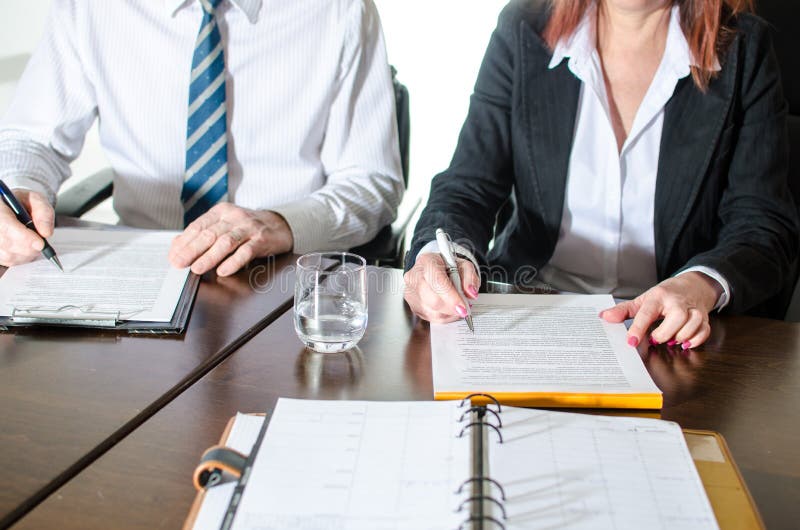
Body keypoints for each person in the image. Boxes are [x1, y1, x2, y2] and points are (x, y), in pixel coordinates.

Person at [404, 0, 798, 348]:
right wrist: (441, 256)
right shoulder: (523, 29)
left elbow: (763, 225)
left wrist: (700, 284)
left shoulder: (743, 48)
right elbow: (466, 186)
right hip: (528, 312)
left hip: (666, 333)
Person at [0, 0, 403, 277]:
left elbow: (371, 182)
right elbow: (34, 140)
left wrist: (281, 224)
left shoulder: (339, 10)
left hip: (280, 272)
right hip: (142, 265)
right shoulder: (91, 7)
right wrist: (22, 188)